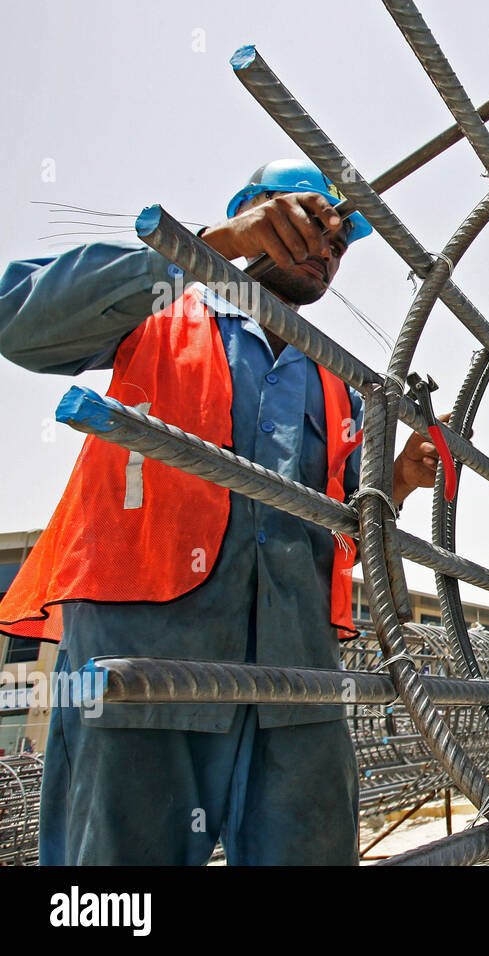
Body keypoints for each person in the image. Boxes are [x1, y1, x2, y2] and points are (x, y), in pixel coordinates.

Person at [0, 159, 447, 865]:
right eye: (309, 221)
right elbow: (17, 320)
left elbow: (335, 532)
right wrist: (208, 248)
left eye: (338, 243)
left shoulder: (335, 381)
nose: (326, 248)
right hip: (145, 654)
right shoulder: (160, 311)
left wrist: (396, 480)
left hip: (297, 677)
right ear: (252, 212)